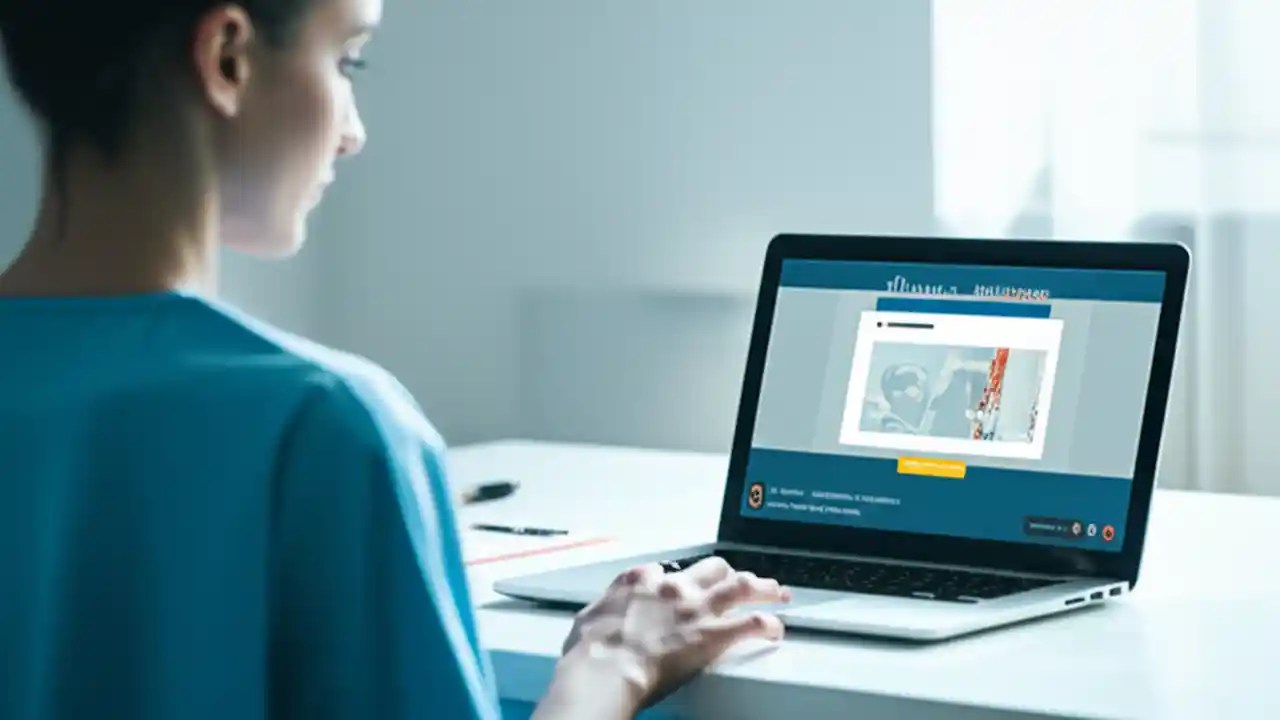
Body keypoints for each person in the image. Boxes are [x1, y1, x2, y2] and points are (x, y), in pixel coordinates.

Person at [0, 1, 791, 718]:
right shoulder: (324, 422)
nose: (352, 132)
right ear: (229, 59)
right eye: (347, 61)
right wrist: (614, 663)